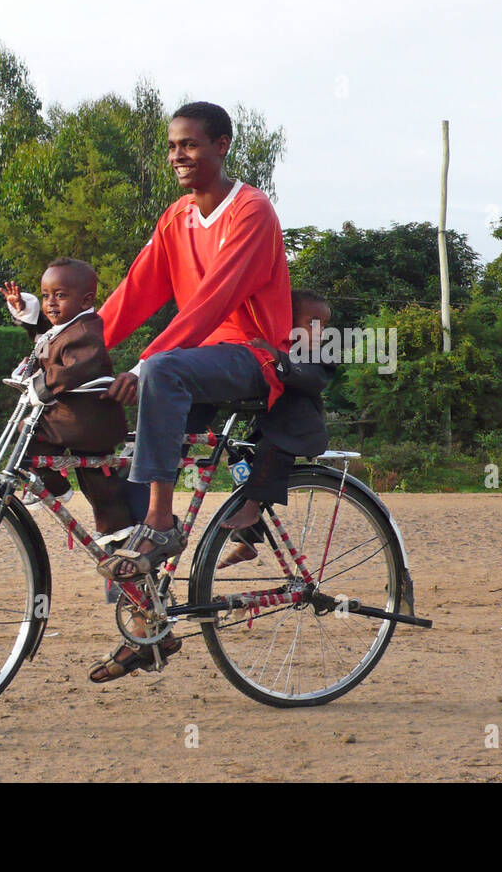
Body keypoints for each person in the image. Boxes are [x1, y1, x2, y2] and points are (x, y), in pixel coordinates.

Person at [88, 102, 293, 682]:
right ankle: (146, 625)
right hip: (198, 358)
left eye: (191, 144)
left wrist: (151, 360)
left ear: (223, 145)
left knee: (160, 374)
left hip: (252, 355)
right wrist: (66, 350)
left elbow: (214, 301)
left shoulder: (250, 210)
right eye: (173, 146)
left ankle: (163, 523)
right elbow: (133, 294)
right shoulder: (176, 218)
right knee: (109, 460)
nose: (178, 154)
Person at [0, 259, 136, 535]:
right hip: (78, 419)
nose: (50, 303)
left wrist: (40, 385)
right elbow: (43, 341)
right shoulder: (65, 328)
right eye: (46, 295)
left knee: (31, 431)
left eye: (60, 295)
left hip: (88, 420)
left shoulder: (85, 332)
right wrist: (24, 311)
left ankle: (54, 488)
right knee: (98, 482)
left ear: (86, 300)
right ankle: (116, 533)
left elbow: (74, 368)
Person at [216, 289, 336, 568]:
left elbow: (312, 380)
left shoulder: (319, 353)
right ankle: (248, 540)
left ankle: (250, 511)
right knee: (241, 460)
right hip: (274, 424)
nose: (319, 330)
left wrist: (278, 359)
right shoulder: (277, 344)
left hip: (300, 430)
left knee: (270, 452)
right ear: (286, 321)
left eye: (324, 325)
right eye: (312, 322)